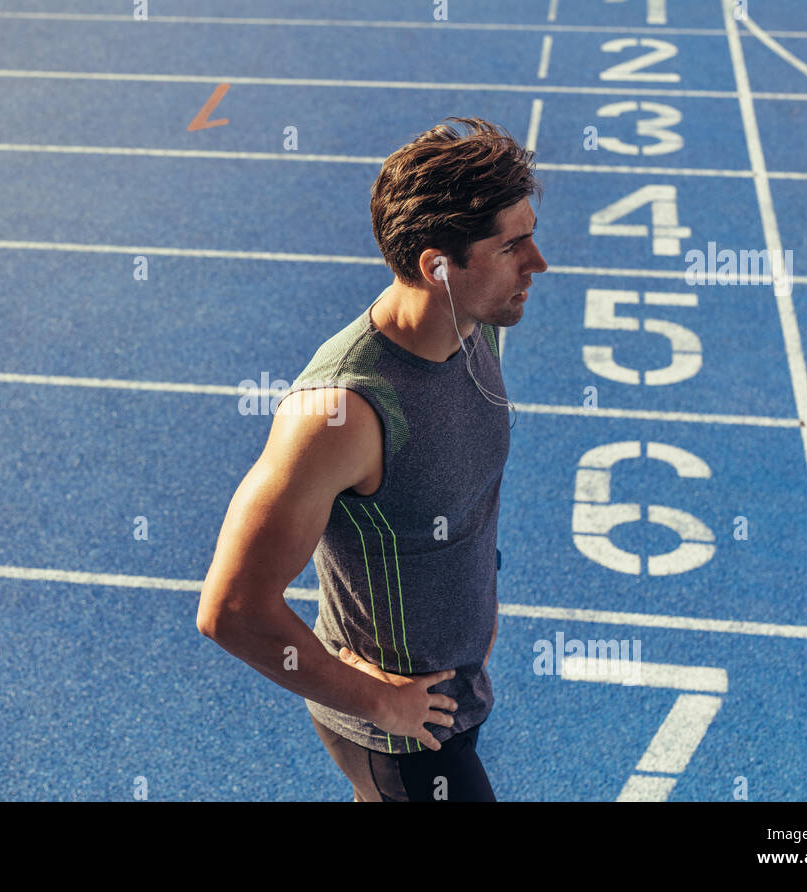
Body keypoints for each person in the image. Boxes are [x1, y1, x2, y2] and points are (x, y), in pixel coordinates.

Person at [196, 117, 547, 801]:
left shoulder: (473, 331)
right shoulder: (340, 414)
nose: (538, 262)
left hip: (455, 688)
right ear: (438, 268)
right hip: (404, 728)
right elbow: (231, 609)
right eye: (513, 246)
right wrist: (379, 704)